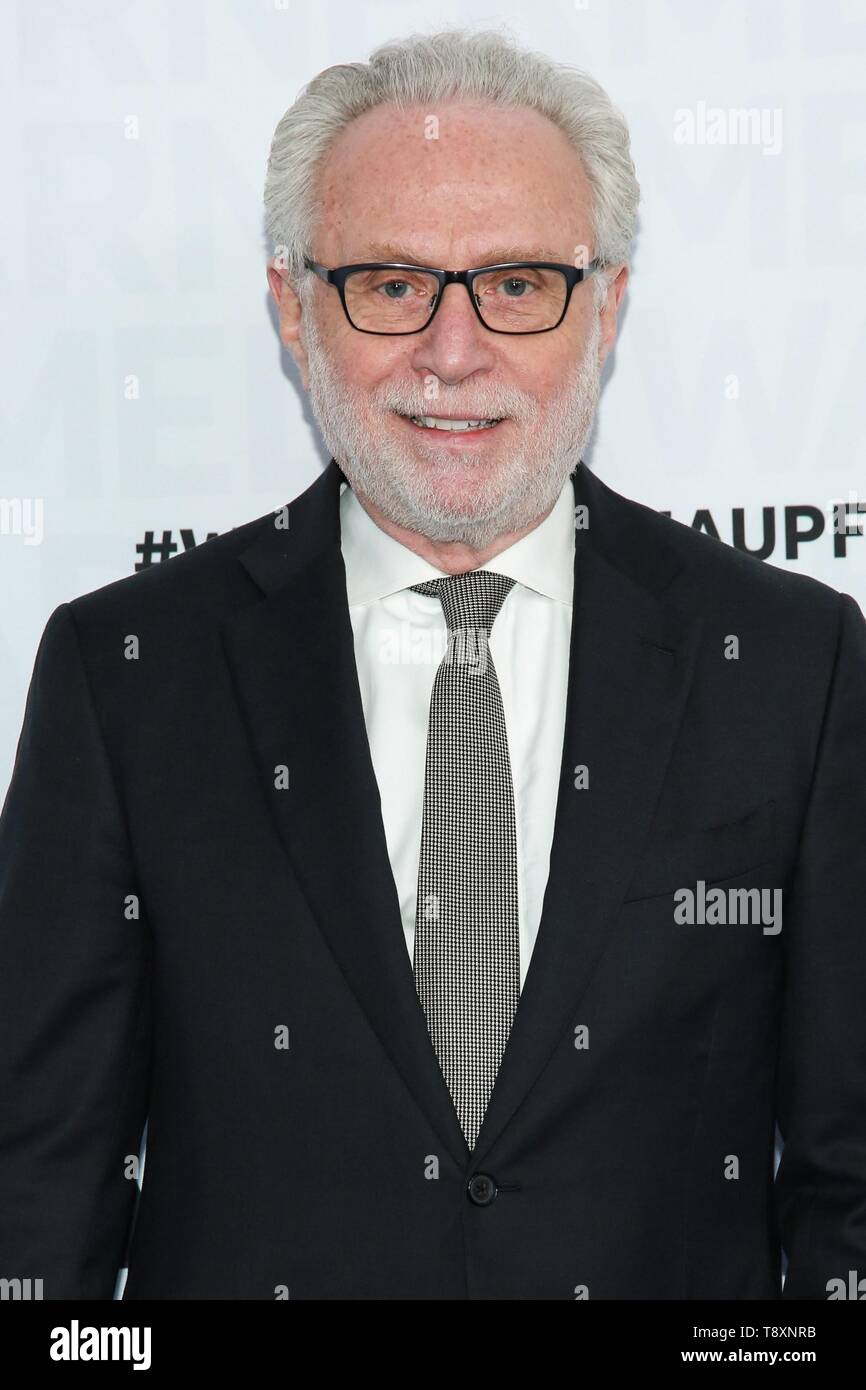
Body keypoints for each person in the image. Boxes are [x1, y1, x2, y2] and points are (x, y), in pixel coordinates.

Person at [1, 28, 864, 1301]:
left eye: (517, 283)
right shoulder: (126, 673)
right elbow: (38, 1196)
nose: (453, 353)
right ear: (293, 307)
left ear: (607, 306)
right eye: (391, 283)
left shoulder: (793, 668)